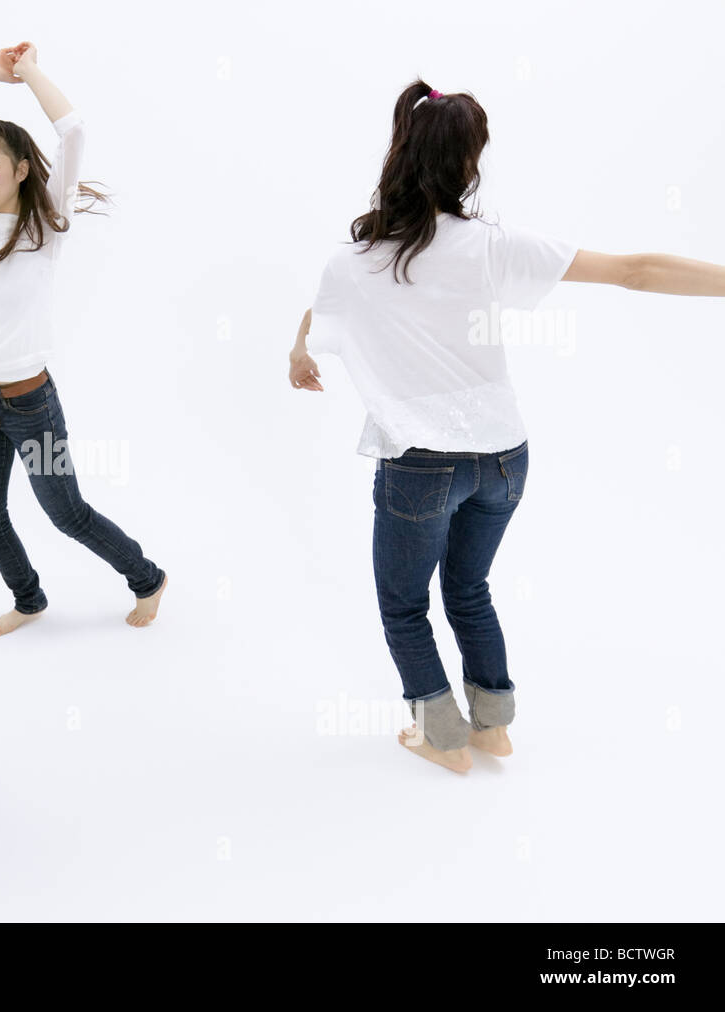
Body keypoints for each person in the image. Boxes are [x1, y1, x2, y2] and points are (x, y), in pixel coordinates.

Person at [289, 79, 725, 773]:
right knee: (468, 587)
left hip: (420, 467)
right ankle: (491, 726)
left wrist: (298, 351)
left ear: (397, 152)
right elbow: (635, 270)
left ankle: (442, 737)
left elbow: (322, 305)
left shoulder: (353, 260)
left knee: (404, 606)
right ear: (469, 165)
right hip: (504, 461)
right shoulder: (492, 245)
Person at [0, 41, 168, 636]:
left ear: (21, 170)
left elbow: (73, 132)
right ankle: (29, 599)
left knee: (67, 514)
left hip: (32, 408)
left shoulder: (44, 227)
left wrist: (26, 73)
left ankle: (147, 577)